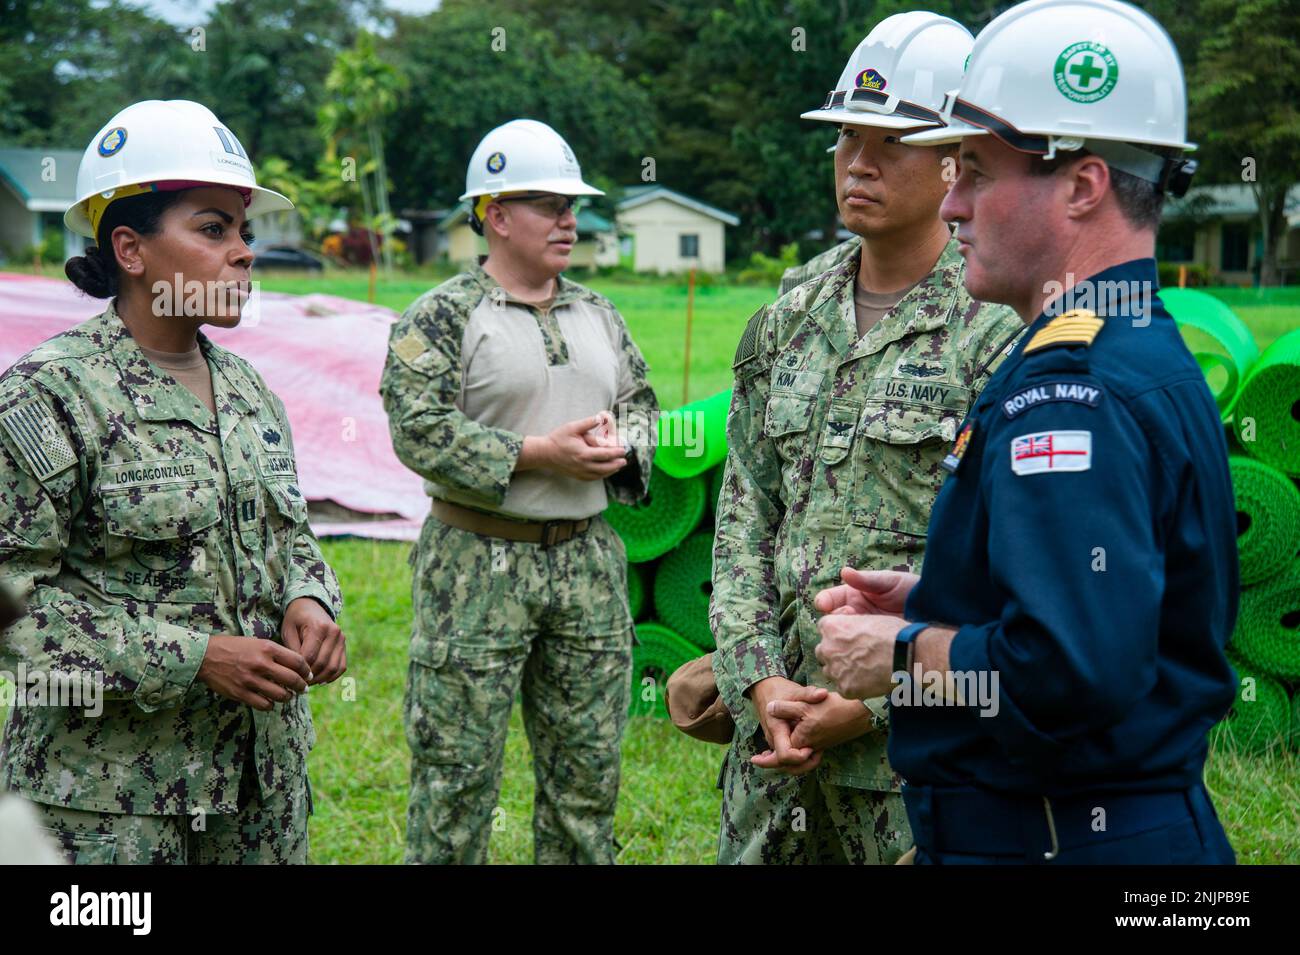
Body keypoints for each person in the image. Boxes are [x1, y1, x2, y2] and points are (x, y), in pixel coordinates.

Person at [815, 0, 1238, 865]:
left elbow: (1062, 676)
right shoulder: (1132, 343)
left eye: (974, 169)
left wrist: (901, 652)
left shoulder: (1072, 390)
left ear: (1083, 185)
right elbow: (1115, 616)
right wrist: (944, 599)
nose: (955, 202)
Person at [709, 12, 1024, 865]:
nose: (860, 162)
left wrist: (878, 699)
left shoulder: (997, 326)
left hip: (914, 756)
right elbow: (743, 526)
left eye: (893, 142)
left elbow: (1011, 561)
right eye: (848, 136)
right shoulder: (786, 318)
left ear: (957, 157)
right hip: (773, 754)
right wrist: (758, 681)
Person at [0, 99, 345, 864]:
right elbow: (13, 604)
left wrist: (309, 597)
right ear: (131, 248)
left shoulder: (251, 391)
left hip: (260, 794)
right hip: (110, 810)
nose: (245, 252)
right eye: (214, 228)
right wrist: (195, 655)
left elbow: (291, 536)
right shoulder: (49, 396)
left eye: (245, 231)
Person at [381, 118, 658, 865]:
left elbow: (641, 402)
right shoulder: (440, 316)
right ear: (496, 215)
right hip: (477, 563)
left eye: (573, 205)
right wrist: (540, 454)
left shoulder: (598, 311)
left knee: (586, 778)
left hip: (587, 562)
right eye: (548, 204)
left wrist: (625, 446)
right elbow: (419, 430)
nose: (570, 219)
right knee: (455, 781)